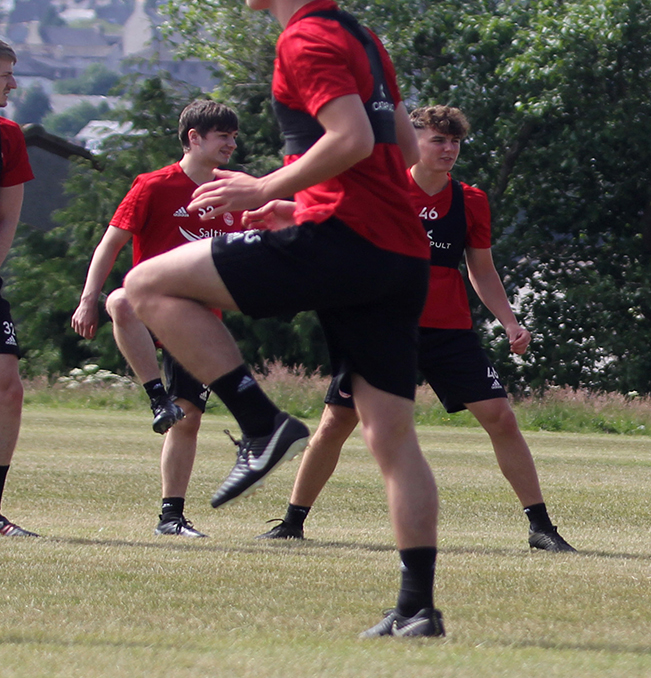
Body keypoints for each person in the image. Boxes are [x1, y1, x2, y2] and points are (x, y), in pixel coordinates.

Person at [122, 0, 445, 638]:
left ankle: (261, 421)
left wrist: (265, 188)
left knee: (144, 285)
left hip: (345, 244)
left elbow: (350, 140)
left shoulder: (304, 38)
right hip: (397, 253)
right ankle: (417, 608)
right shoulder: (364, 36)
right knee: (392, 438)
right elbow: (401, 148)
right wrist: (306, 207)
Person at [256, 104, 574, 552]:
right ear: (413, 141)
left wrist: (509, 322)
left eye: (455, 142)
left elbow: (481, 269)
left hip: (448, 331)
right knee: (335, 424)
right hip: (382, 326)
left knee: (501, 418)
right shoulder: (380, 189)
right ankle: (291, 522)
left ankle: (541, 528)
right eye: (437, 140)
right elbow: (326, 220)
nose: (448, 149)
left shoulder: (471, 200)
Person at [72, 99, 246, 538]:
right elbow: (110, 244)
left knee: (189, 418)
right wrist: (86, 299)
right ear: (194, 138)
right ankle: (155, 396)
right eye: (223, 135)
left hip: (200, 321)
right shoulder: (153, 186)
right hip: (152, 305)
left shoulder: (233, 190)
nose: (231, 143)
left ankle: (171, 518)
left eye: (233, 135)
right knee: (121, 301)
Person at [0, 42, 36, 537]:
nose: (12, 83)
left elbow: (7, 217)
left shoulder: (9, 136)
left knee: (8, 390)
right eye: (5, 73)